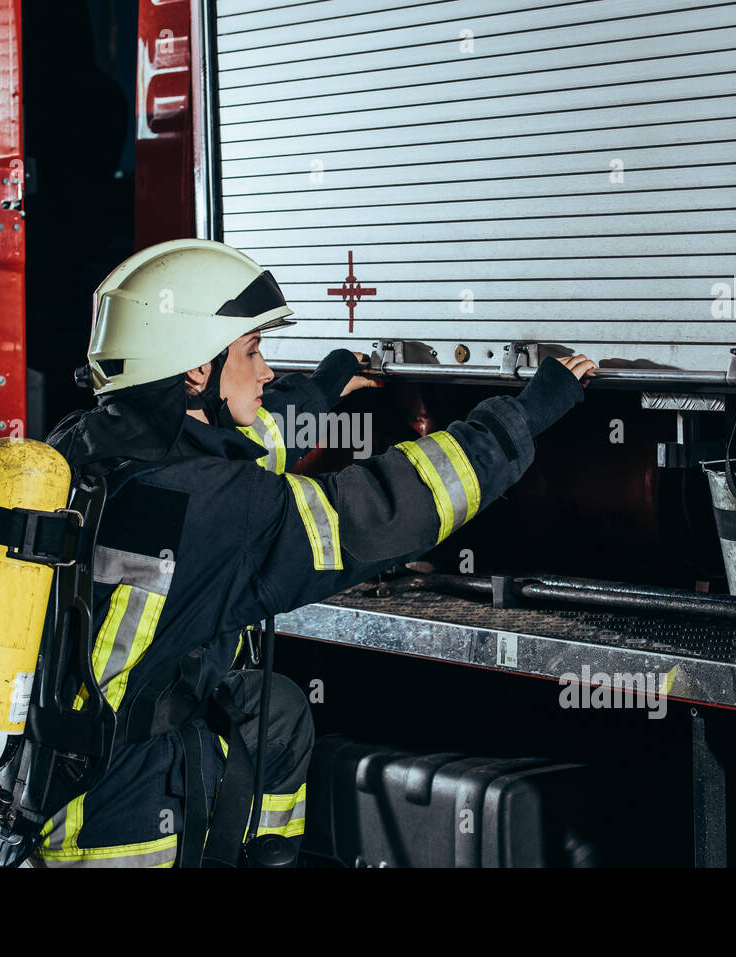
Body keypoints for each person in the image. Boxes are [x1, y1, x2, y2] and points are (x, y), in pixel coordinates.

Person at [34, 239, 596, 867]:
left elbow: (241, 444)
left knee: (273, 711)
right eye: (253, 351)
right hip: (115, 830)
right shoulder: (214, 506)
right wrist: (521, 419)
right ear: (196, 370)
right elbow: (381, 509)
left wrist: (326, 388)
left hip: (55, 775)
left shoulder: (88, 449)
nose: (267, 371)